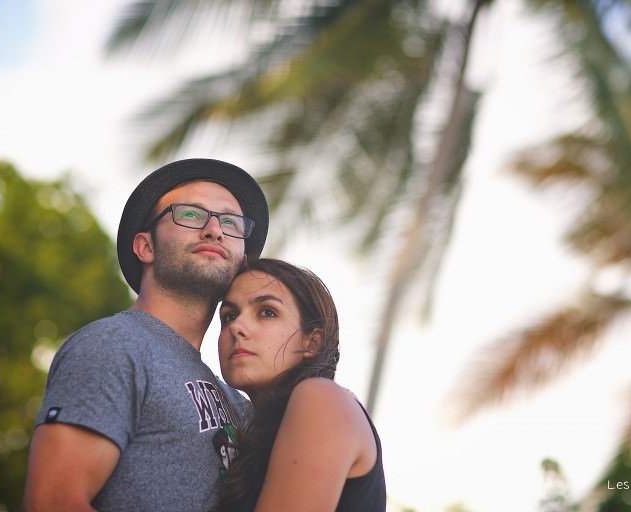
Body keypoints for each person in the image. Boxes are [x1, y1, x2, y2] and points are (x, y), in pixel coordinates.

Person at [22, 158, 269, 511]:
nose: (214, 230)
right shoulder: (114, 346)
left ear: (244, 262)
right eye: (190, 214)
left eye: (230, 222)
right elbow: (51, 502)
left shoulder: (238, 403)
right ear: (145, 247)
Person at [216, 258, 387, 512]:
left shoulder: (321, 397)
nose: (237, 327)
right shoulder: (253, 432)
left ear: (312, 342)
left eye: (267, 312)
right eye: (229, 316)